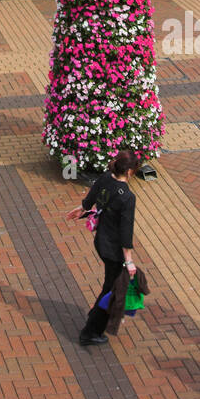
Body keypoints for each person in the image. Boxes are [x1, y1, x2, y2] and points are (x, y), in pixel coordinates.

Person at [67, 148, 140, 346]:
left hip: (101, 241)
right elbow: (126, 232)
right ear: (130, 172)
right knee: (111, 289)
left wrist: (81, 208)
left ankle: (95, 318)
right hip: (113, 250)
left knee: (111, 284)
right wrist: (129, 260)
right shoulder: (127, 197)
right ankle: (91, 330)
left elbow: (92, 197)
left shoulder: (106, 177)